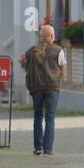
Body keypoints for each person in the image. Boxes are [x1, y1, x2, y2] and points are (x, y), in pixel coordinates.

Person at [23, 24, 67, 155]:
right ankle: (48, 149)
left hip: (36, 87)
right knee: (50, 117)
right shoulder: (58, 50)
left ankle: (38, 147)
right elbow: (62, 69)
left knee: (37, 116)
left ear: (40, 36)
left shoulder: (32, 50)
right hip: (52, 87)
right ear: (52, 36)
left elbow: (27, 64)